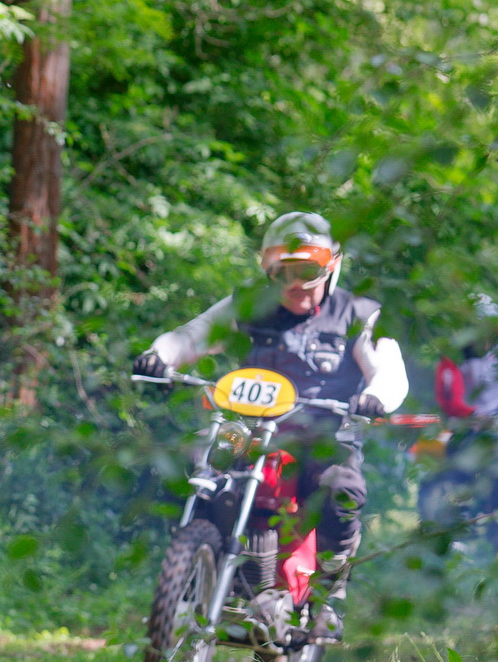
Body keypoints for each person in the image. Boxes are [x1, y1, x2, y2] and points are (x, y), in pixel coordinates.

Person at [133, 211, 407, 588]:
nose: (295, 285)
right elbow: (191, 335)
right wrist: (160, 356)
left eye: (307, 272)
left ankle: (330, 585)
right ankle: (191, 561)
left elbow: (388, 369)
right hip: (248, 432)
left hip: (325, 435)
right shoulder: (247, 304)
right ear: (267, 270)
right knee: (190, 463)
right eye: (282, 273)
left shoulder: (359, 314)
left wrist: (377, 397)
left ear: (332, 266)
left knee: (339, 488)